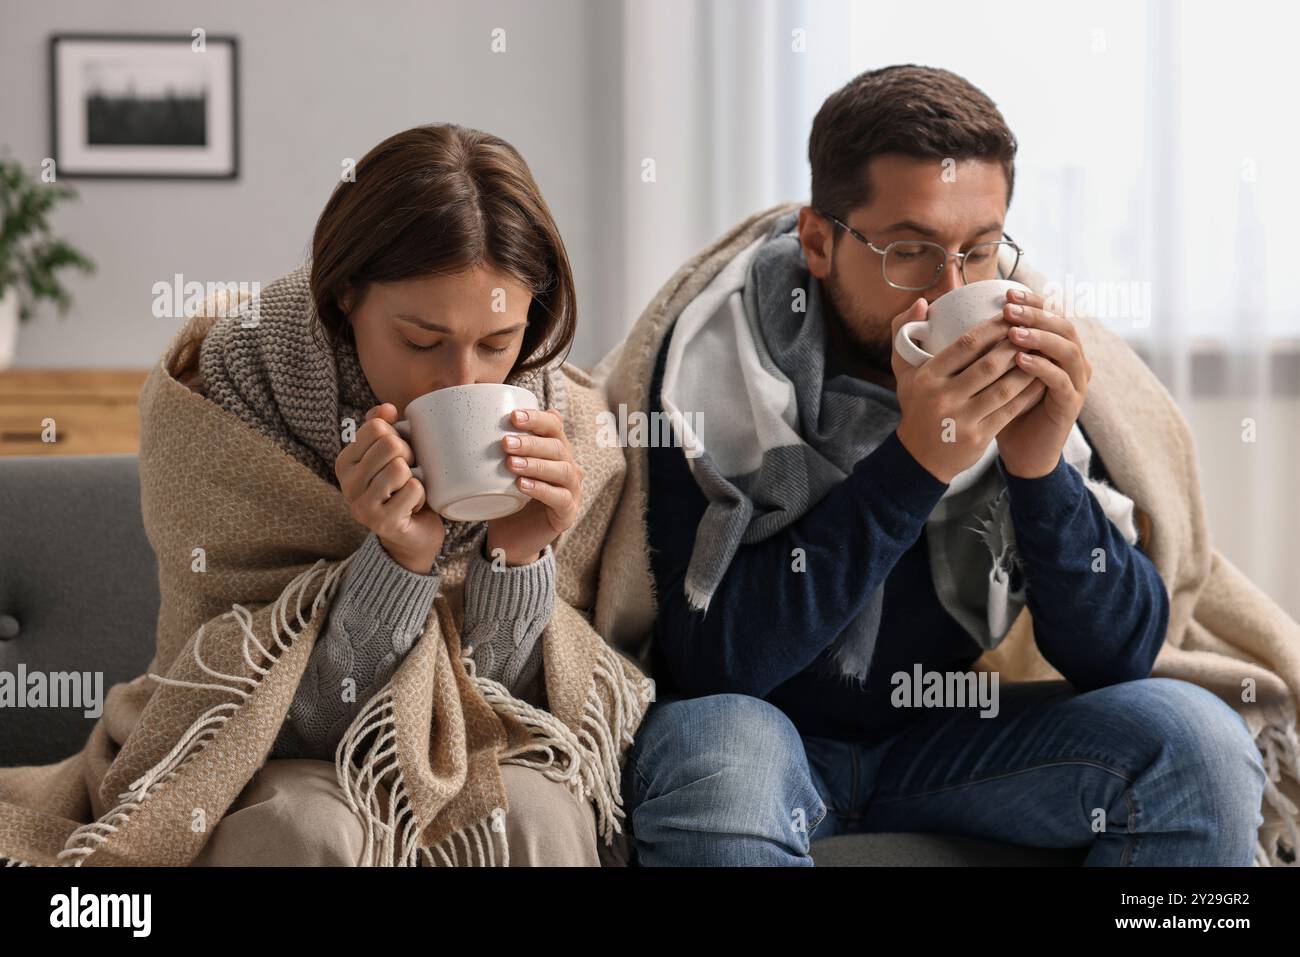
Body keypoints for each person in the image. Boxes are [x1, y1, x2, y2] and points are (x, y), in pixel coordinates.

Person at [618, 65, 1267, 866]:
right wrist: (914, 465)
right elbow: (719, 660)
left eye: (981, 249)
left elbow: (1118, 655)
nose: (951, 291)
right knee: (726, 762)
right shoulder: (713, 368)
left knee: (1198, 741)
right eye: (911, 252)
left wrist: (1038, 470)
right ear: (818, 241)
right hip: (759, 731)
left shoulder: (1024, 351)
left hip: (949, 736)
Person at [187, 122, 620, 866]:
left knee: (533, 816)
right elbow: (263, 727)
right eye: (423, 341)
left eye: (497, 341)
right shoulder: (238, 383)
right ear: (346, 293)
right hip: (282, 754)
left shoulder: (565, 422)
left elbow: (512, 724)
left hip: (487, 750)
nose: (464, 380)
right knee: (301, 831)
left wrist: (517, 558)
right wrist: (396, 563)